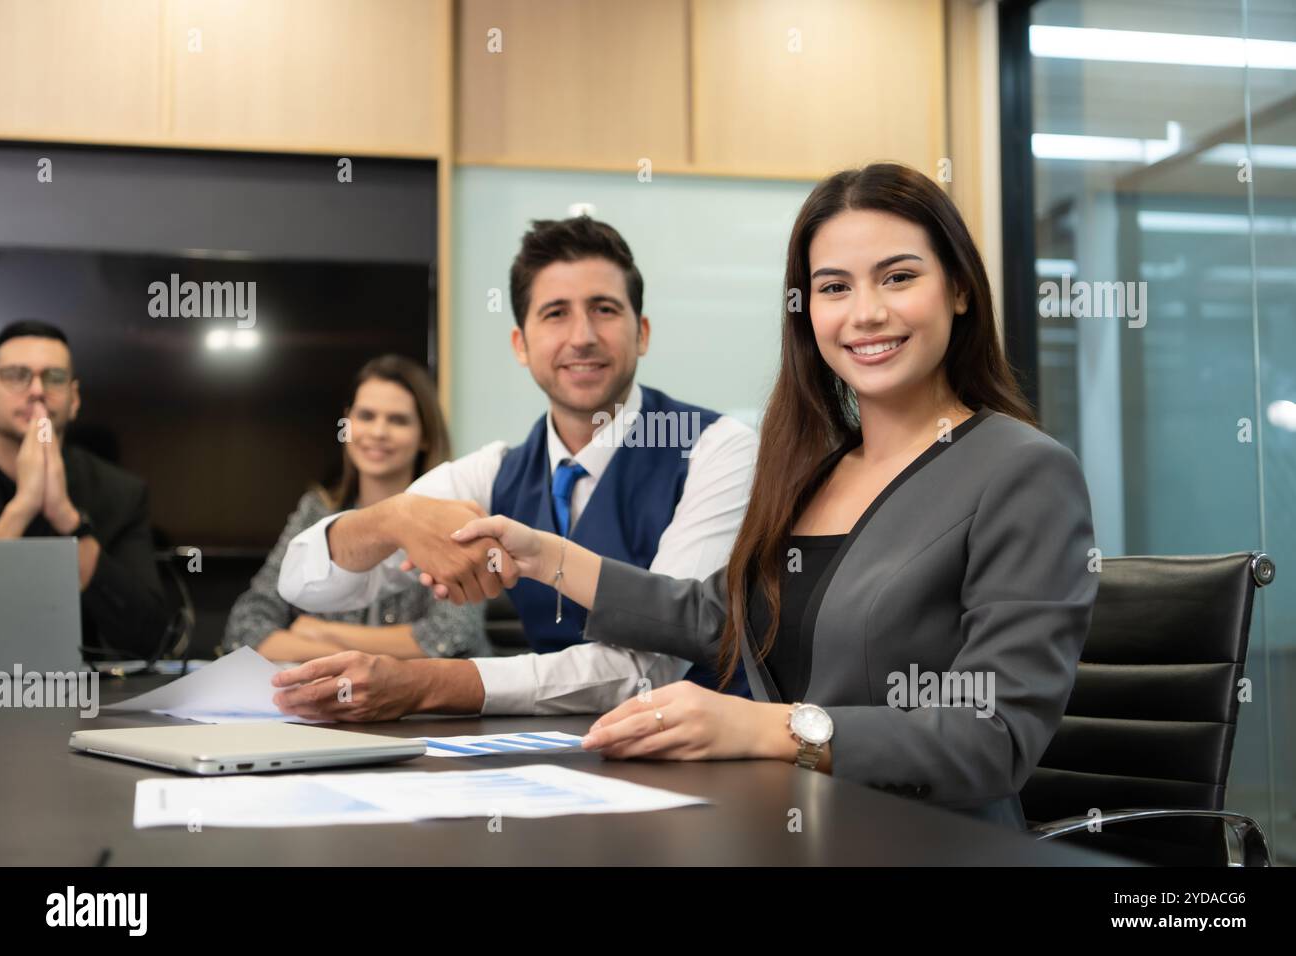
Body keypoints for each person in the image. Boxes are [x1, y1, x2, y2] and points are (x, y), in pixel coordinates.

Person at [276, 163, 1098, 828]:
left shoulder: (1021, 470)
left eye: (898, 277)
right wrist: (548, 558)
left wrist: (770, 728)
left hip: (923, 842)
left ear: (958, 289)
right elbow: (722, 617)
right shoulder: (814, 467)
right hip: (790, 824)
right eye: (835, 287)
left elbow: (995, 737)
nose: (866, 312)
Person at [276, 216, 758, 712]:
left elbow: (650, 669)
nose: (582, 336)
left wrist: (430, 684)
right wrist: (394, 517)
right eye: (555, 313)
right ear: (520, 345)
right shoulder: (496, 471)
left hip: (708, 759)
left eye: (605, 309)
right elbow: (302, 581)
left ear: (643, 333)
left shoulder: (717, 449)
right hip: (557, 754)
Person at [223, 355, 487, 662]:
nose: (378, 432)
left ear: (425, 436)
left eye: (398, 420)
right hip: (329, 702)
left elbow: (452, 635)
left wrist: (321, 631)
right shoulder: (317, 511)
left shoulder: (452, 515)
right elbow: (246, 625)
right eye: (366, 416)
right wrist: (352, 659)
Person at [0, 319, 168, 659]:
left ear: (74, 399)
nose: (36, 390)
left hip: (85, 697)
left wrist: (67, 519)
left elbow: (150, 638)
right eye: (16, 375)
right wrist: (22, 507)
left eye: (54, 377)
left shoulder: (120, 493)